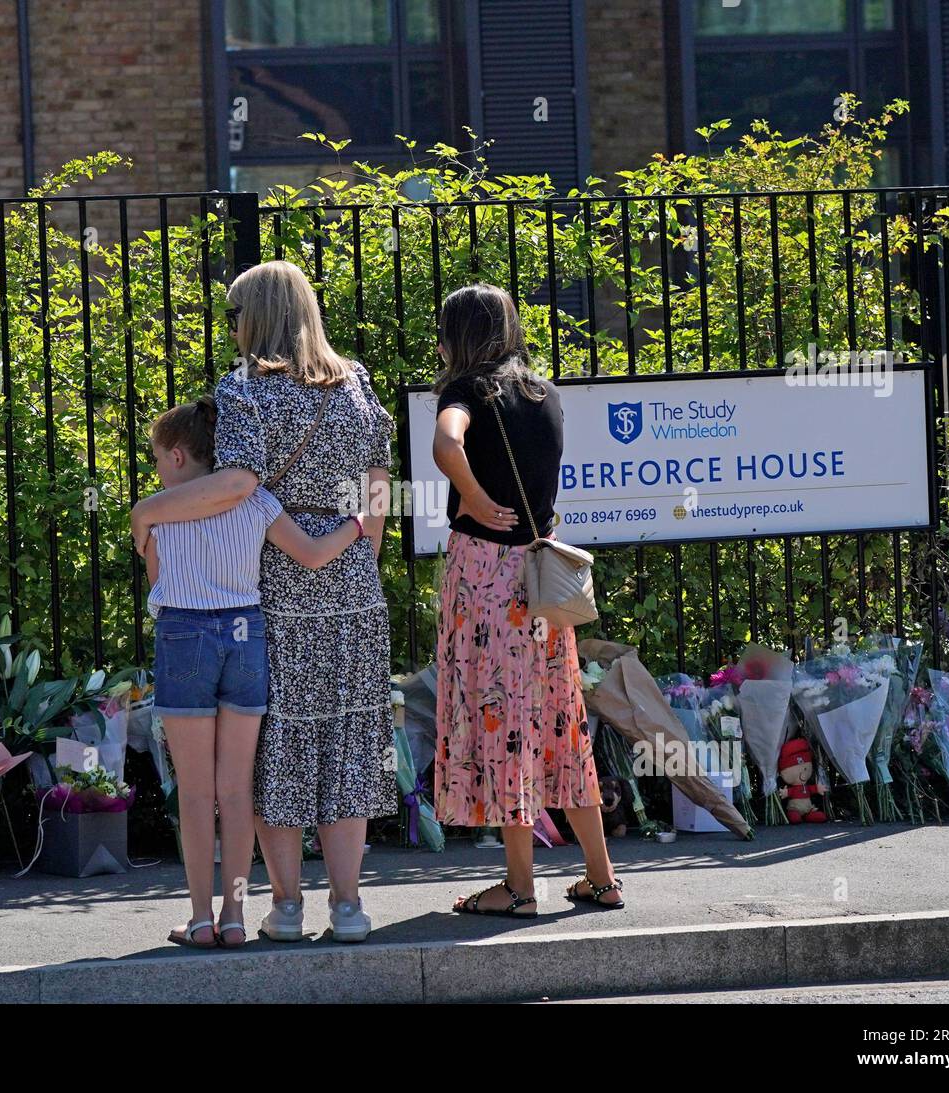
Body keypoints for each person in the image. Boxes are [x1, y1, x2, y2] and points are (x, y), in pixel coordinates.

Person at [132, 261, 396, 944]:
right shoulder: (357, 383)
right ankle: (348, 904)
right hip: (350, 579)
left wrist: (151, 507)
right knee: (345, 742)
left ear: (259, 315)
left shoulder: (244, 388)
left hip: (273, 579)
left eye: (234, 313)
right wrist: (360, 555)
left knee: (277, 744)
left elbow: (238, 483)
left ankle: (284, 905)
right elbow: (375, 487)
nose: (231, 327)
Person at [143, 397, 371, 949]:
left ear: (176, 457)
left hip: (183, 634)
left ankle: (200, 919)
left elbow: (156, 583)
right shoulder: (257, 502)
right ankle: (238, 915)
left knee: (196, 794)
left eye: (155, 457)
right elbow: (313, 555)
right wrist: (358, 526)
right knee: (237, 789)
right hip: (246, 636)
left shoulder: (154, 511)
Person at [431, 283, 623, 916]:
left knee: (503, 720)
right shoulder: (546, 395)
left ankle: (518, 888)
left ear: (462, 336)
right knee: (562, 723)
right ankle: (601, 878)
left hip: (485, 579)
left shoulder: (466, 392)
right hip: (539, 583)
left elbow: (445, 442)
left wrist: (474, 496)